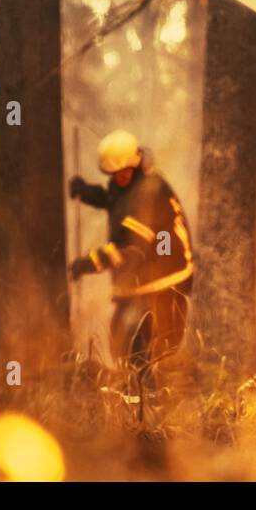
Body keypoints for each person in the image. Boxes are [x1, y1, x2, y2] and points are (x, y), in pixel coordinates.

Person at [68, 129, 193, 390]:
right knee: (123, 341)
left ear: (135, 164)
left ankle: (155, 410)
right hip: (145, 280)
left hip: (163, 283)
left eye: (123, 172)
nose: (119, 177)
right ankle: (137, 402)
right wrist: (86, 192)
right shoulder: (131, 186)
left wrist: (87, 263)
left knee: (147, 351)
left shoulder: (148, 194)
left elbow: (130, 250)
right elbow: (114, 199)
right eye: (113, 174)